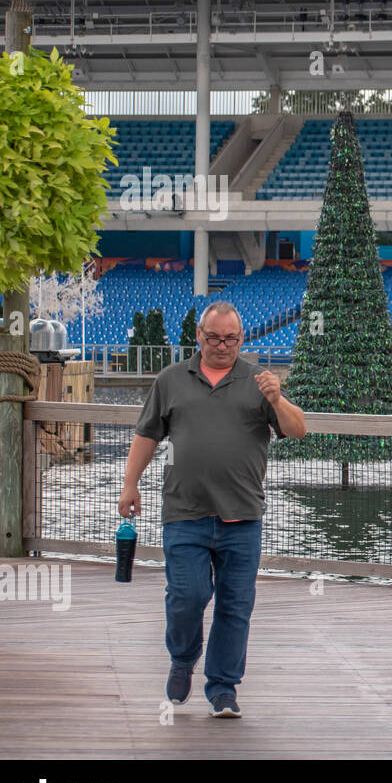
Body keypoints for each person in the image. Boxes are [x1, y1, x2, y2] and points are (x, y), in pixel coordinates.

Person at [119, 301, 306, 718]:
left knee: (235, 606)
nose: (223, 345)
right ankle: (183, 658)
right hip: (185, 512)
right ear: (199, 336)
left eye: (231, 338)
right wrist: (130, 484)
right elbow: (146, 435)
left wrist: (277, 400)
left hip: (243, 516)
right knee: (187, 595)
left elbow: (297, 429)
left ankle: (223, 688)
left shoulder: (259, 381)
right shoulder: (170, 380)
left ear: (242, 338)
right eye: (214, 337)